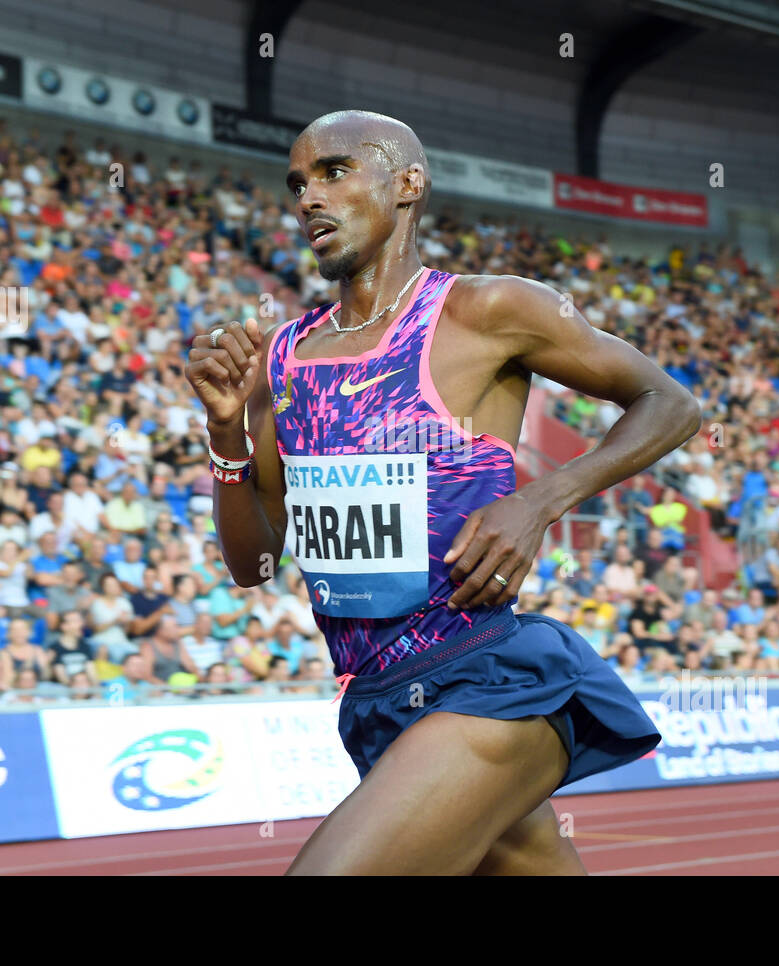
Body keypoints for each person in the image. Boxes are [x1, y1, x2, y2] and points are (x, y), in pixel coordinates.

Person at [185, 110, 700, 874]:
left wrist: (540, 499)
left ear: (407, 183)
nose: (308, 199)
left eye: (334, 171)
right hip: (373, 702)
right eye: (296, 184)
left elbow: (672, 404)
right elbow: (253, 563)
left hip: (484, 677)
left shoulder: (487, 310)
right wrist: (227, 440)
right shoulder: (283, 359)